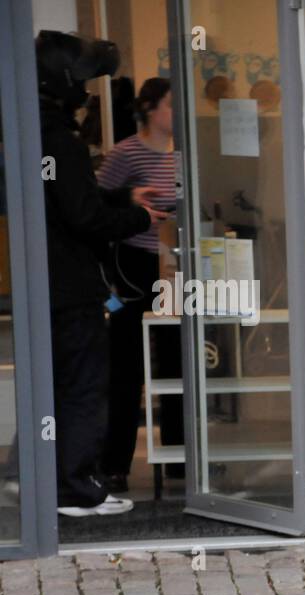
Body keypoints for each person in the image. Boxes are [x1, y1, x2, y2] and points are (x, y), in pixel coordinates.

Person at [36, 31, 165, 517]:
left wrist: (119, 200)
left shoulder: (38, 138)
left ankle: (62, 481)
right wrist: (137, 218)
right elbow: (84, 218)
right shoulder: (59, 144)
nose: (90, 91)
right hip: (71, 287)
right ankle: (77, 488)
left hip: (49, 284)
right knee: (84, 384)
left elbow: (71, 201)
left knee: (64, 384)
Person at [96, 77, 180, 492]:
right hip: (133, 264)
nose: (176, 112)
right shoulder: (126, 153)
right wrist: (130, 197)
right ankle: (116, 464)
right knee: (127, 363)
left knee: (177, 358)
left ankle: (183, 457)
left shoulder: (184, 153)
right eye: (169, 104)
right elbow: (93, 202)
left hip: (174, 263)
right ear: (149, 108)